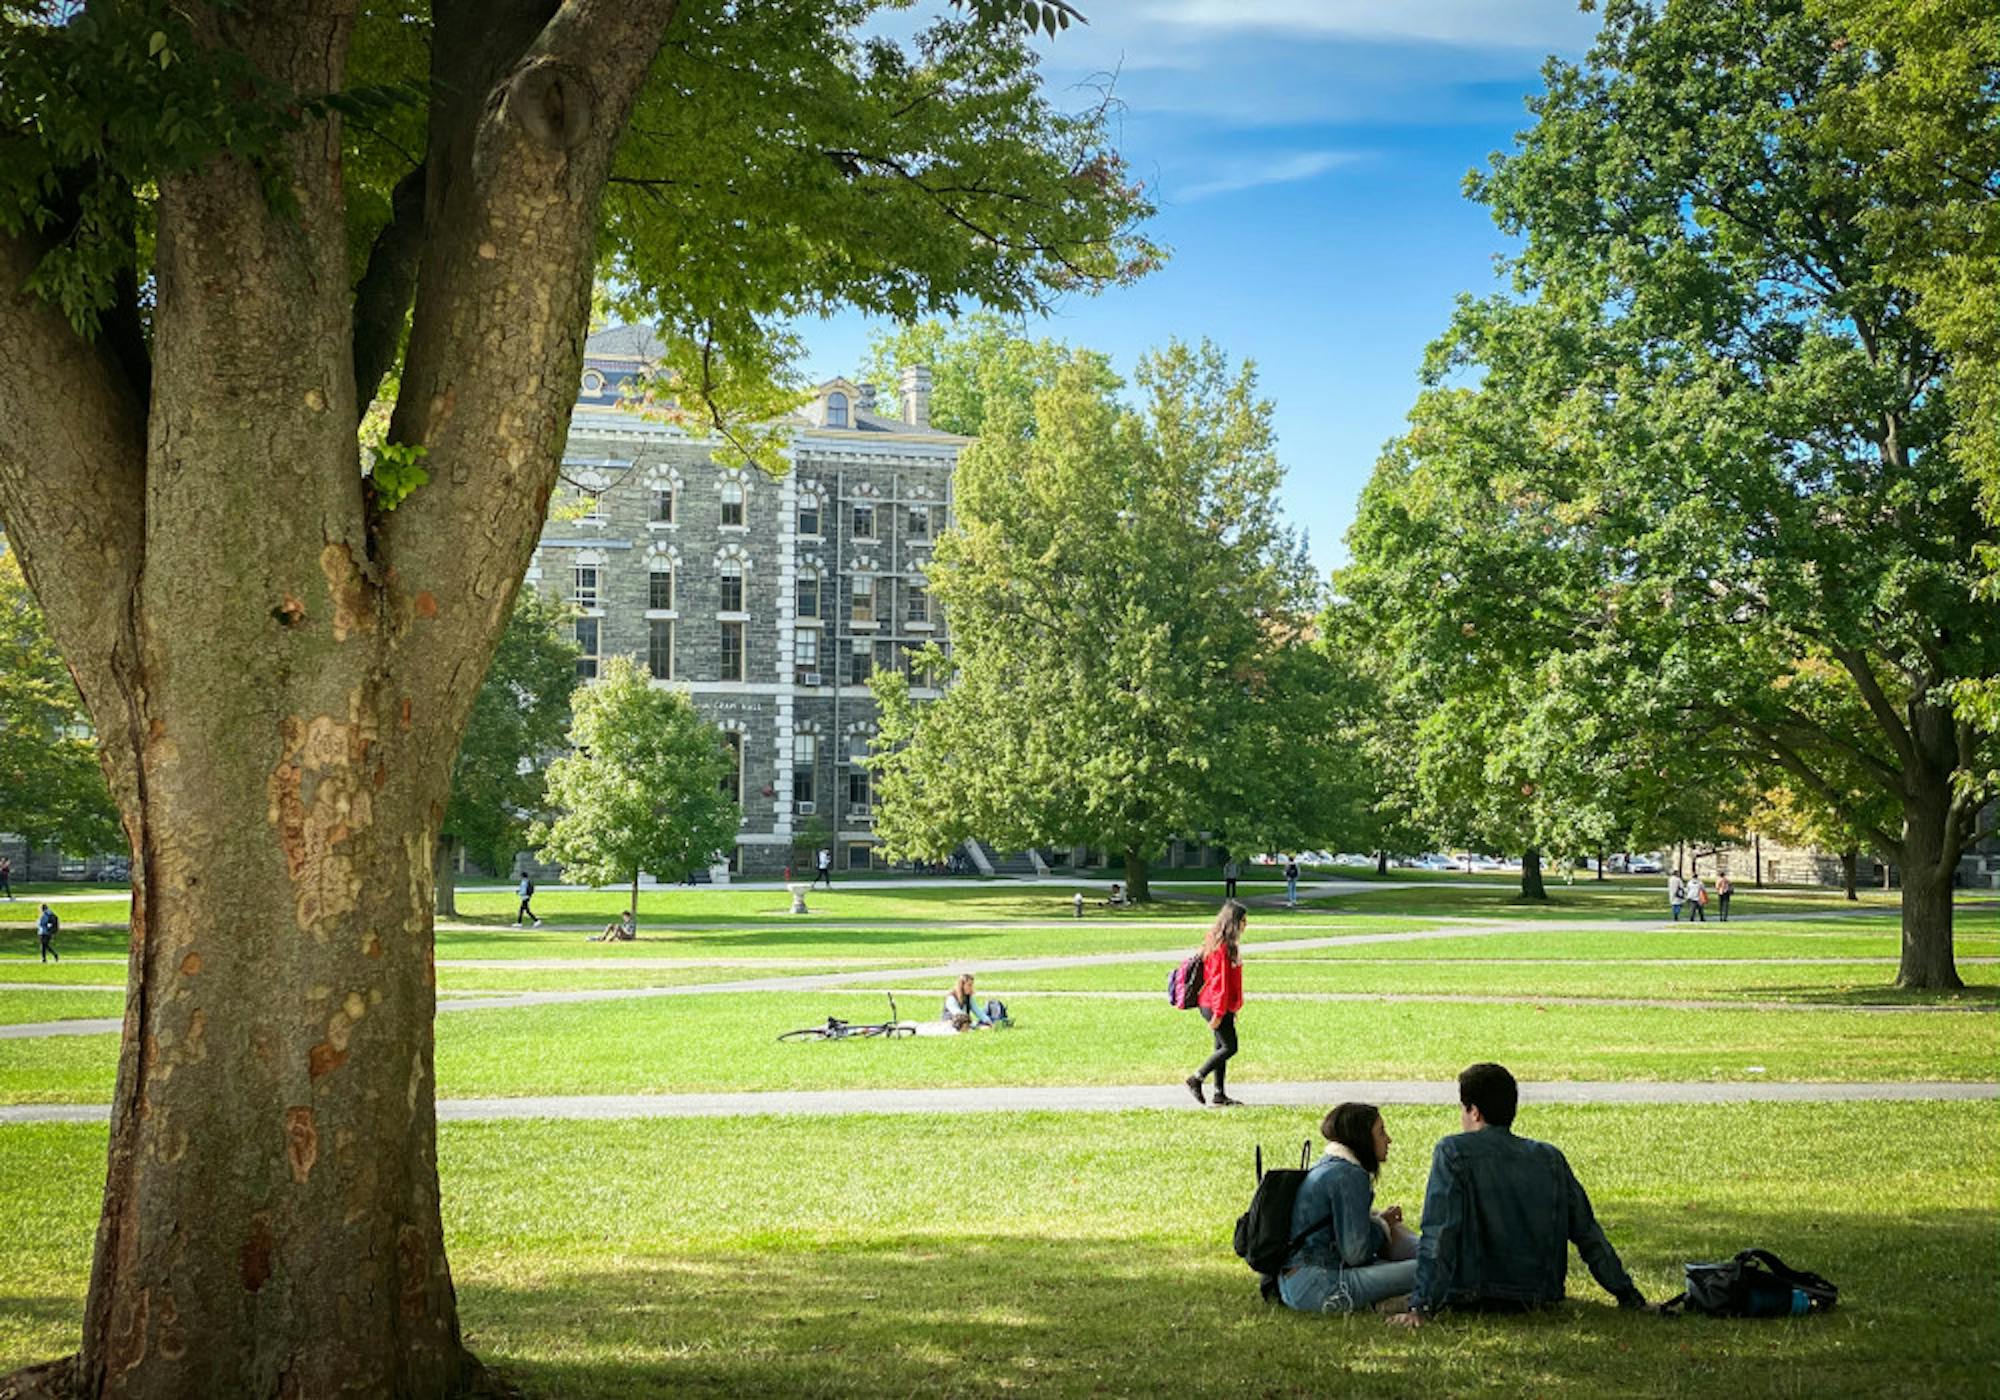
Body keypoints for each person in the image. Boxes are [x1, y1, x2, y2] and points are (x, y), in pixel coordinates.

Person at [1388, 1063, 1648, 1327]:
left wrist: (1422, 1305)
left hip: (1473, 1293)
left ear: (1473, 1111)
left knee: (1396, 1243)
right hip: (1539, 1294)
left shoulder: (1453, 1151)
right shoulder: (1550, 1158)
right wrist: (1628, 1295)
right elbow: (1588, 1234)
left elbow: (1441, 1232)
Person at [1279, 1103, 1421, 1315]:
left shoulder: (1328, 1166)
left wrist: (1378, 1221)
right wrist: (1382, 1226)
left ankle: (1393, 1300)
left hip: (1295, 1284)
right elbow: (1357, 1253)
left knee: (1411, 1264)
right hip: (1321, 1286)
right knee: (1430, 1268)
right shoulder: (1349, 1175)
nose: (1388, 1140)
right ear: (1362, 1139)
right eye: (1381, 1132)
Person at [1185, 899, 1246, 1107]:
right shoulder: (1221, 947)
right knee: (1230, 1047)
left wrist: (1233, 1007)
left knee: (1220, 1047)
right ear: (1233, 922)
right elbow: (1219, 982)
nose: (1246, 924)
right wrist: (1219, 1013)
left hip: (1222, 1004)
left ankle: (1219, 1093)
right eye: (1243, 920)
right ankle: (1196, 1078)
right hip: (1213, 1003)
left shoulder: (1228, 945)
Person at [941, 973, 1006, 1030]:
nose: (971, 987)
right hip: (952, 1023)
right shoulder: (951, 998)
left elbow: (977, 1011)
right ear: (962, 986)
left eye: (972, 985)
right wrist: (976, 1026)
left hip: (966, 1023)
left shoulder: (968, 997)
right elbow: (960, 1016)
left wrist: (989, 1022)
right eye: (969, 985)